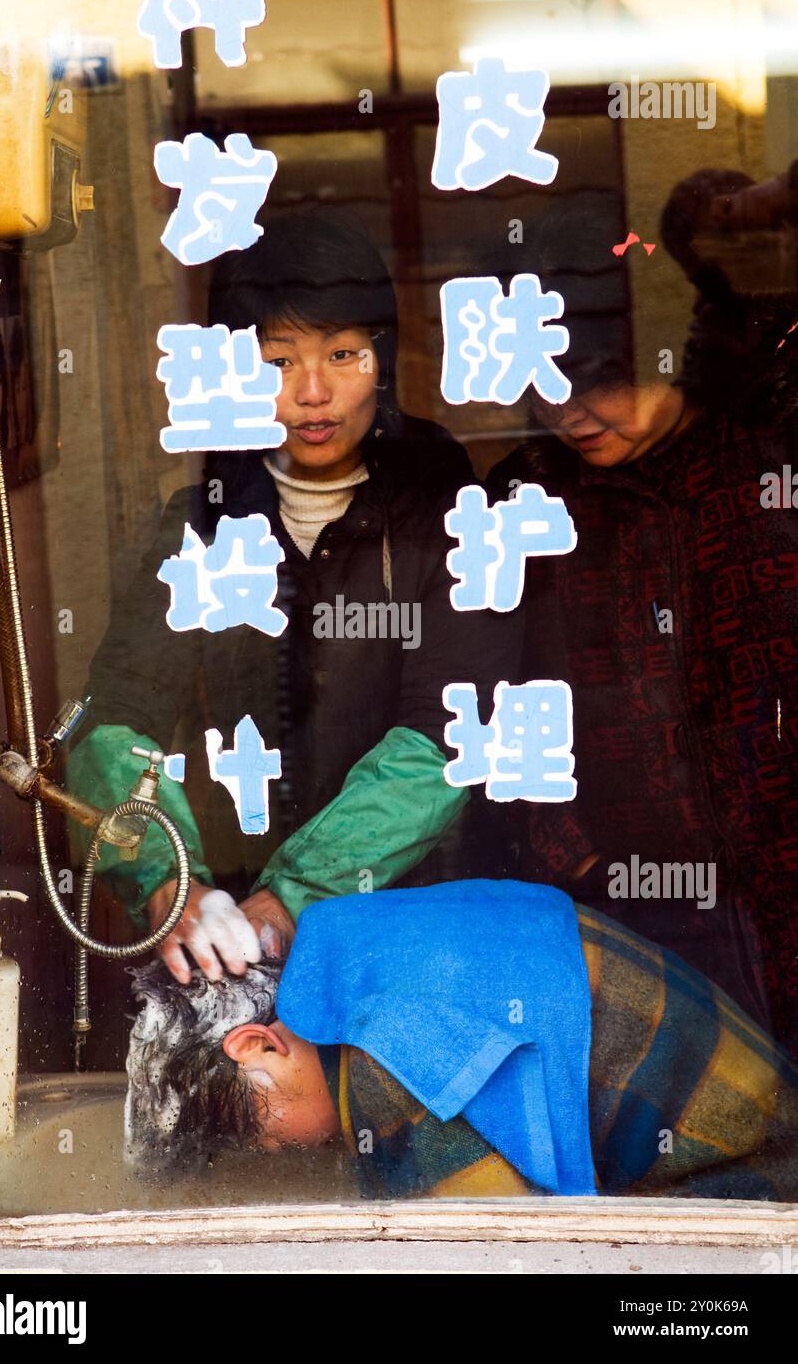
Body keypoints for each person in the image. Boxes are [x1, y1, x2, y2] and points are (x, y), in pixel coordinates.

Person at [68, 210, 511, 983]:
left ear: (384, 359)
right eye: (277, 361)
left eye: (343, 355)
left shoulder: (444, 512)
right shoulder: (200, 522)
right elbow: (115, 724)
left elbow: (445, 741)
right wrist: (172, 882)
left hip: (414, 924)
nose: (312, 393)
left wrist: (293, 897)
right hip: (236, 942)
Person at [485, 198, 798, 1052]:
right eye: (545, 387)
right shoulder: (525, 498)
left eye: (599, 383)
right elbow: (487, 695)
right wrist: (569, 856)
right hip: (622, 904)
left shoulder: (767, 464)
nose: (569, 413)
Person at [124, 880, 798, 1202]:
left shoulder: (384, 1059)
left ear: (256, 1047)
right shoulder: (343, 944)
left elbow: (493, 1252)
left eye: (263, 1136)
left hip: (758, 1193)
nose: (278, 1150)